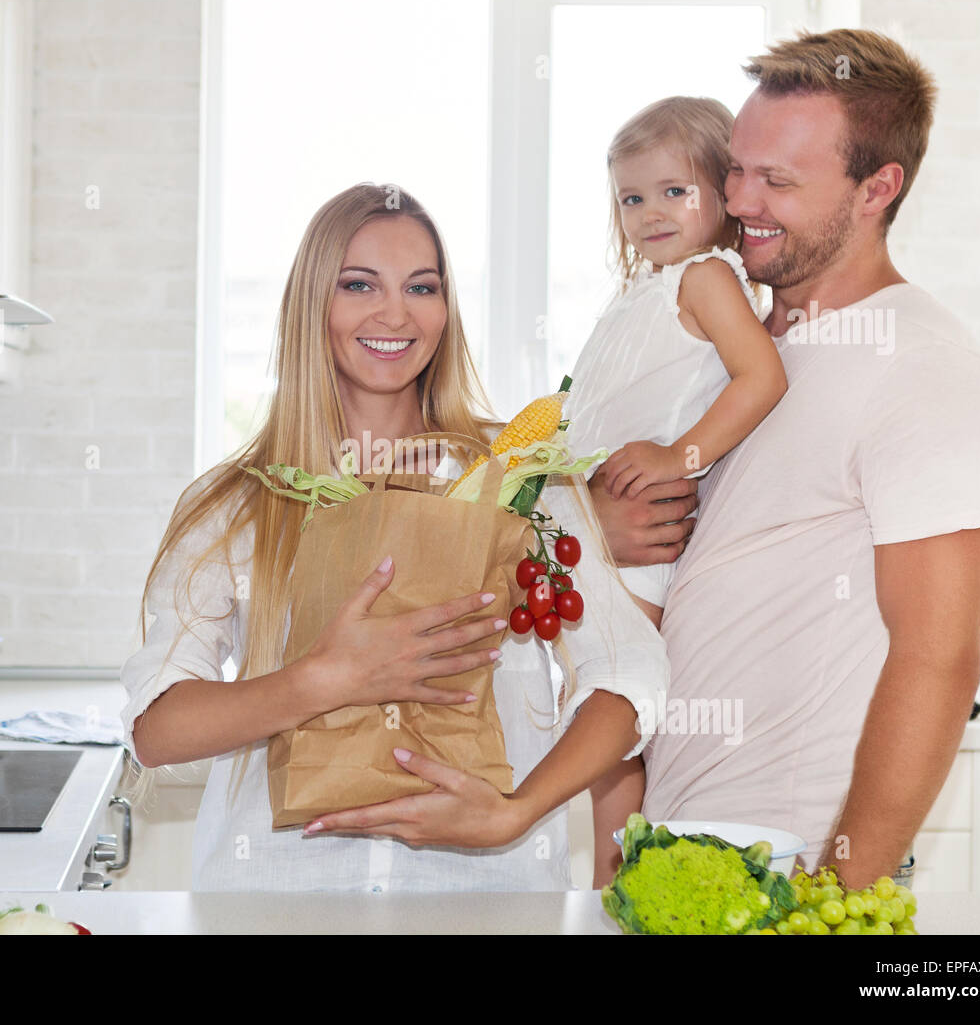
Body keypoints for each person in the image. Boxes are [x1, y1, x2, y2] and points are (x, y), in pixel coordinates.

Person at [120, 183, 668, 892]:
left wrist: (516, 812)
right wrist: (323, 679)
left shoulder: (524, 479)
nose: (395, 313)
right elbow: (155, 727)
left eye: (422, 286)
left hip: (486, 902)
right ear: (312, 303)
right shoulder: (238, 502)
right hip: (277, 906)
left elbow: (630, 676)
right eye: (358, 284)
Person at [588, 29, 980, 889]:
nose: (739, 199)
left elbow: (937, 658)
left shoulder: (922, 365)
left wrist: (835, 895)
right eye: (736, 168)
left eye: (778, 181)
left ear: (877, 189)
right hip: (672, 855)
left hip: (790, 867)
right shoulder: (723, 351)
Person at [564, 97, 787, 887]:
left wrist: (678, 453)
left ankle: (619, 870)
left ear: (720, 194)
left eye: (672, 191)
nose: (649, 212)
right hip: (602, 534)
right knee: (602, 705)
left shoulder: (705, 278)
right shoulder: (642, 294)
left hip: (645, 537)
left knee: (618, 702)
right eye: (631, 197)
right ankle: (613, 868)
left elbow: (762, 377)